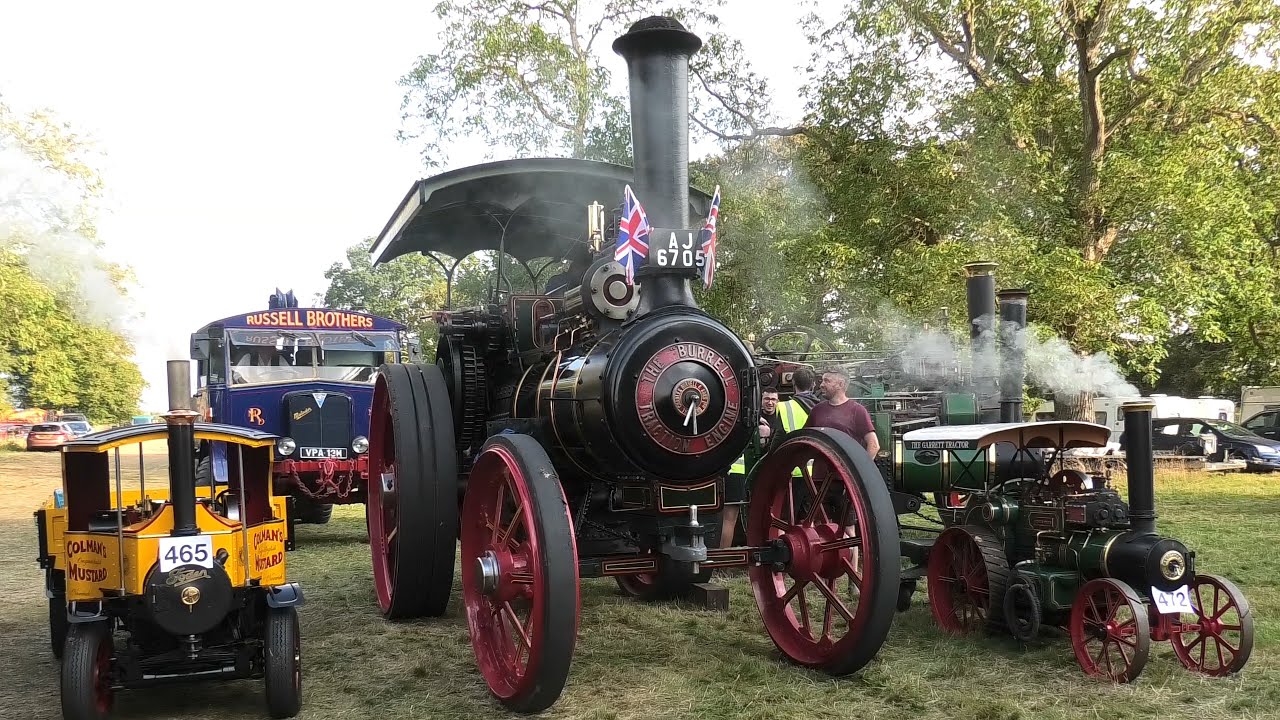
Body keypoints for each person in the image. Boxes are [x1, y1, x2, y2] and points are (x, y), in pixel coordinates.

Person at [722, 388, 808, 550]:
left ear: (778, 401)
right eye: (767, 399)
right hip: (751, 472)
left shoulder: (781, 418)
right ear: (761, 401)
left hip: (778, 472)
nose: (770, 402)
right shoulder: (753, 418)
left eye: (774, 400)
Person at [805, 368, 879, 457]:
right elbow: (805, 439)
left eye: (826, 381)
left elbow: (874, 445)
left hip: (845, 470)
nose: (821, 385)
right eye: (822, 381)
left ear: (841, 384)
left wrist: (862, 469)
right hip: (820, 470)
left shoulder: (857, 410)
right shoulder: (817, 410)